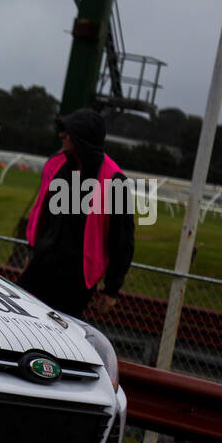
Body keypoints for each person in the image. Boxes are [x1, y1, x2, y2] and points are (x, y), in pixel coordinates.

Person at [19, 108, 134, 318]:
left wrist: (111, 289)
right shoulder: (56, 164)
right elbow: (42, 214)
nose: (61, 135)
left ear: (83, 137)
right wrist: (32, 250)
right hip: (41, 266)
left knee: (55, 338)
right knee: (19, 322)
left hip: (76, 280)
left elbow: (123, 241)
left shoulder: (114, 181)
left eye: (67, 130)